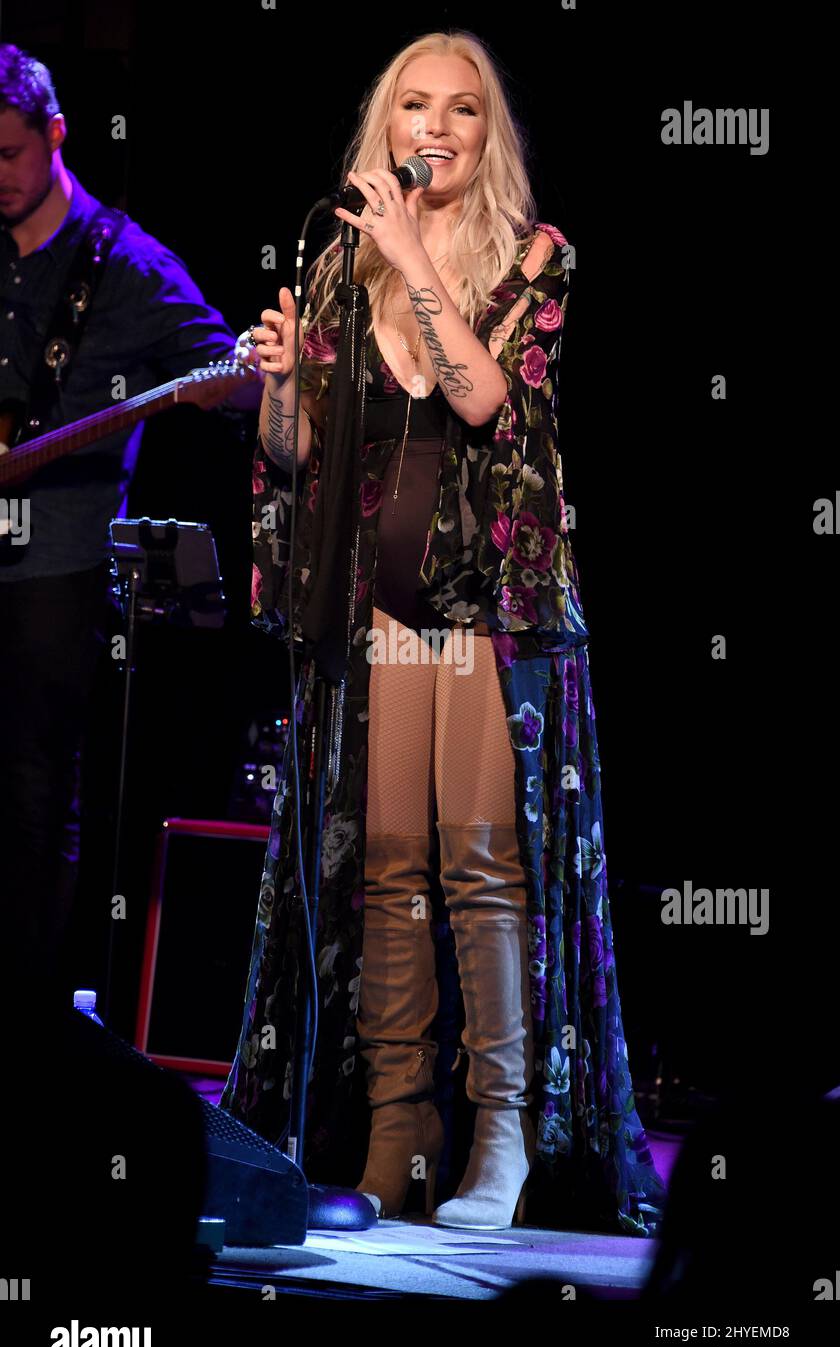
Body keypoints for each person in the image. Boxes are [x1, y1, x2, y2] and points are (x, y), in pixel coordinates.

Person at [220, 30, 668, 1235]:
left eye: (461, 111)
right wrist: (275, 386)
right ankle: (393, 1131)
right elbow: (299, 457)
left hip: (492, 606)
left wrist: (412, 254)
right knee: (388, 871)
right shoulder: (335, 268)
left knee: (479, 864)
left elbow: (482, 396)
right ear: (385, 126)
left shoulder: (535, 256)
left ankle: (502, 1135)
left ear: (489, 134)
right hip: (378, 607)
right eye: (414, 107)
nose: (435, 128)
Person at [0, 44, 262, 1000]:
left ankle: (24, 1023)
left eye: (7, 156)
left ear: (56, 135)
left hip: (53, 576)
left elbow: (235, 377)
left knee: (33, 796)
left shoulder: (130, 266)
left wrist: (249, 378)